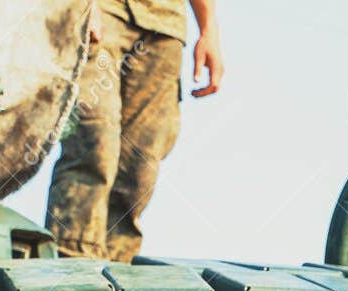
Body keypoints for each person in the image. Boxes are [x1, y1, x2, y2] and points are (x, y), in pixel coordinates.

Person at [46, 0, 223, 262]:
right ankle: (72, 269)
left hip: (165, 26)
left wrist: (209, 30)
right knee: (95, 144)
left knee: (140, 166)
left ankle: (117, 272)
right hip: (104, 12)